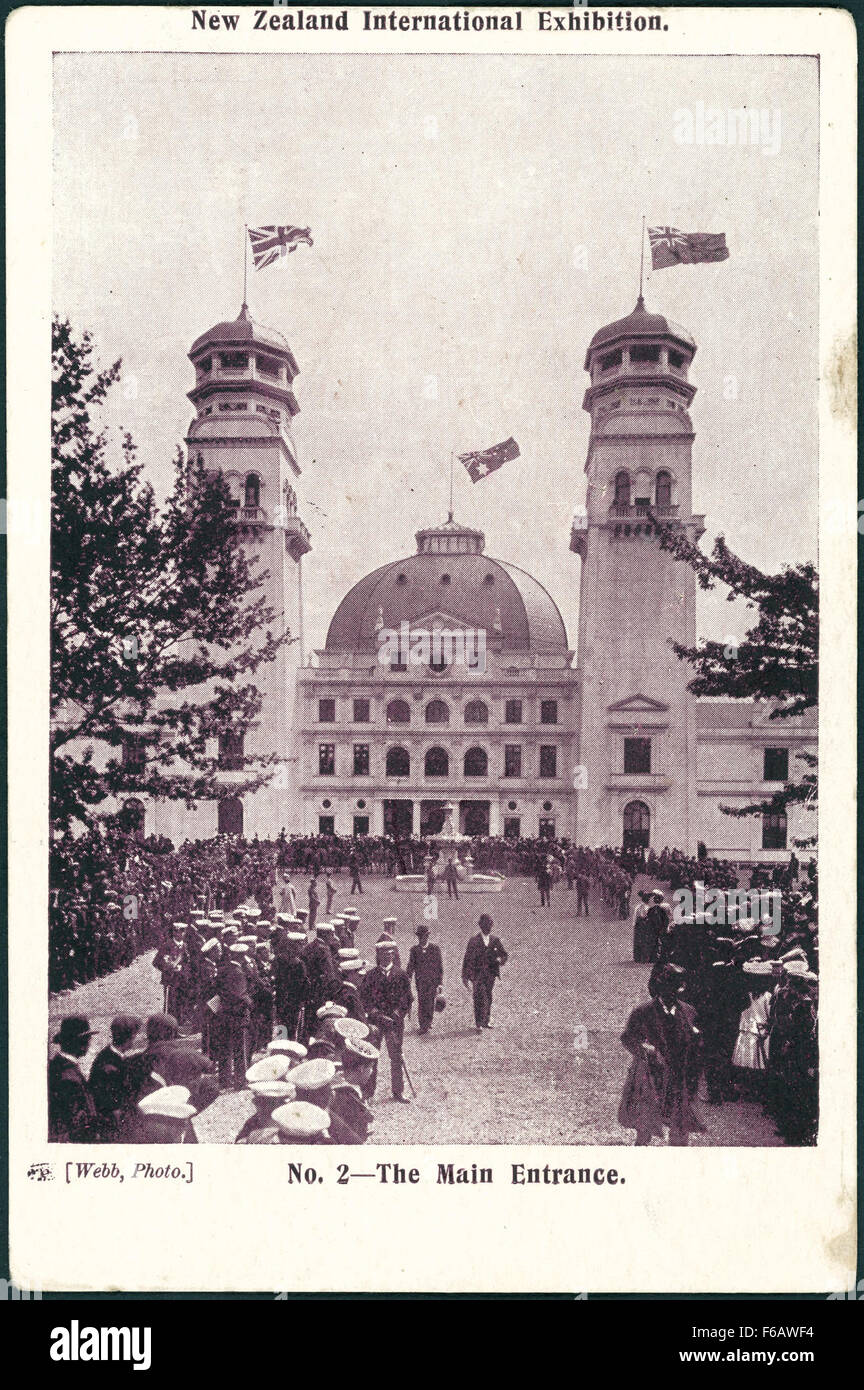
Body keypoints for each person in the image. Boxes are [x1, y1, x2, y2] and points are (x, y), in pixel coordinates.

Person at [619, 963, 704, 1146]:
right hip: (650, 1073)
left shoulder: (689, 1012)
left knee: (680, 1123)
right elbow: (627, 1038)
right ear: (660, 988)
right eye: (669, 988)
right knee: (645, 1125)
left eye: (677, 988)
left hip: (678, 1074)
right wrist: (645, 1049)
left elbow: (697, 1044)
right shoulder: (643, 1011)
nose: (673, 993)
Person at [361, 940, 413, 1102]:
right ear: (377, 956)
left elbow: (408, 998)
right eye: (383, 954)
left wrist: (397, 1014)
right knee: (372, 1057)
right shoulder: (370, 976)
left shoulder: (401, 974)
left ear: (393, 955)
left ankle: (398, 1092)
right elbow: (365, 1000)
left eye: (390, 954)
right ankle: (368, 1092)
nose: (386, 957)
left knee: (396, 1057)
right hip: (376, 1023)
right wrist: (377, 1015)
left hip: (395, 1024)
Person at [88, 1013, 150, 1141]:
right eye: (137, 1035)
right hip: (110, 1127)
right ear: (131, 1036)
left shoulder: (107, 1054)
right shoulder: (111, 1066)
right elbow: (114, 1107)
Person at [48, 1015, 99, 1142]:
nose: (89, 1044)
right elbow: (78, 1126)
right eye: (88, 1039)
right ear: (82, 1044)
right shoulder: (69, 1078)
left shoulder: (56, 1064)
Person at [461, 914, 508, 1032]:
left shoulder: (495, 940)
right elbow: (467, 959)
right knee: (478, 996)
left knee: (488, 996)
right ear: (481, 926)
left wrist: (500, 960)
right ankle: (479, 1023)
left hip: (491, 974)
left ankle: (486, 1019)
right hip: (477, 974)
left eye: (491, 925)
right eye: (487, 925)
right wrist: (465, 976)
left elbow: (504, 955)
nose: (489, 927)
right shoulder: (474, 941)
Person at [406, 924, 444, 1035]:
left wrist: (440, 983)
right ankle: (423, 1025)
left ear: (428, 936)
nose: (423, 938)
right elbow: (410, 966)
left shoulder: (435, 949)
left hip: (433, 982)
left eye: (425, 936)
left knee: (431, 1002)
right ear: (418, 937)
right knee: (422, 1002)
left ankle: (429, 1021)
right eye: (421, 936)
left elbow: (439, 967)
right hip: (421, 982)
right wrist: (408, 978)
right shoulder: (414, 950)